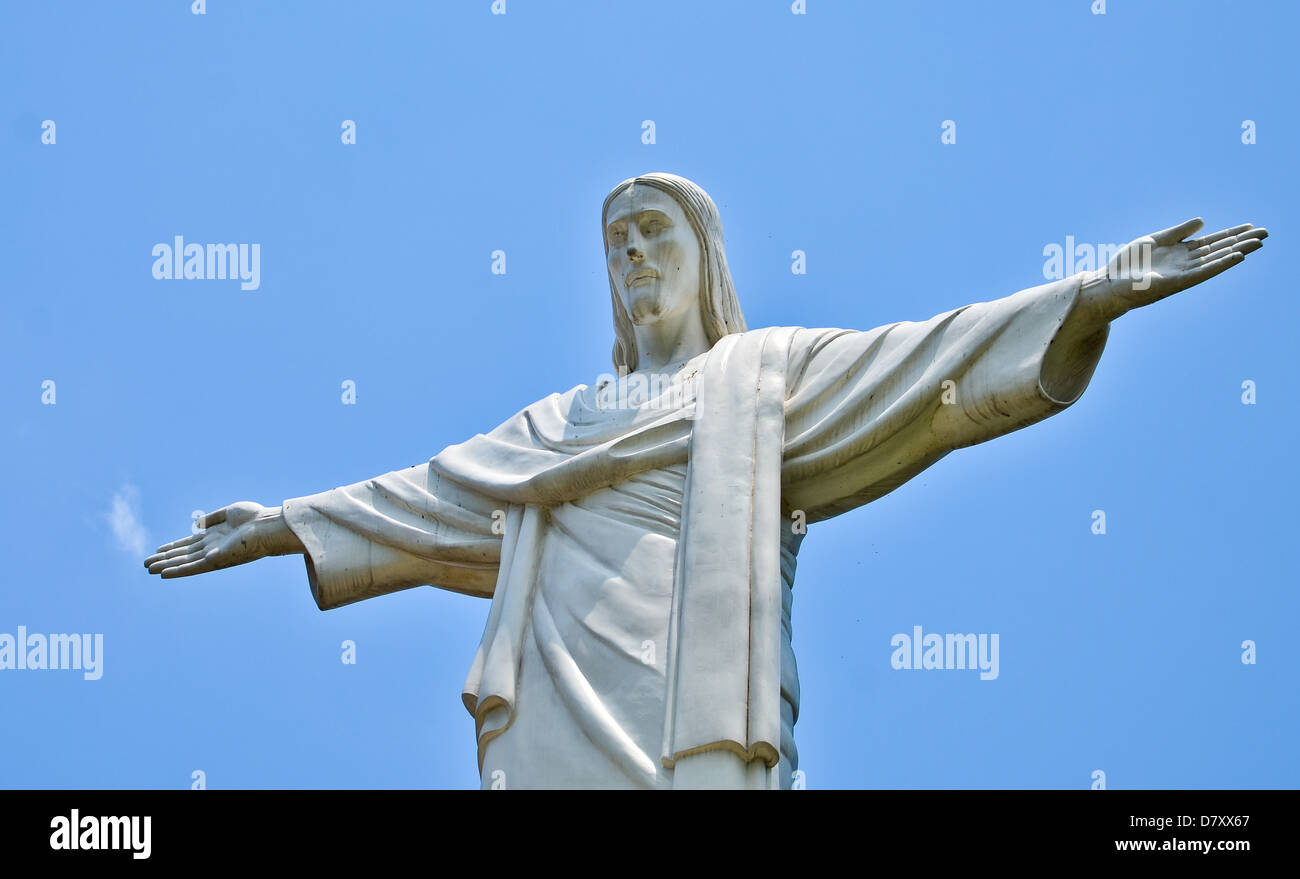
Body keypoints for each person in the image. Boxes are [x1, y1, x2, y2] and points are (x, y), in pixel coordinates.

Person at [145, 172, 1267, 789]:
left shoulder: (764, 380)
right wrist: (284, 525)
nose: (632, 255)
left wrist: (1085, 297)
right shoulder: (558, 423)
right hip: (555, 689)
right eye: (615, 242)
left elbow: (931, 357)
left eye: (653, 232)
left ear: (701, 253)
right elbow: (427, 500)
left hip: (695, 686)